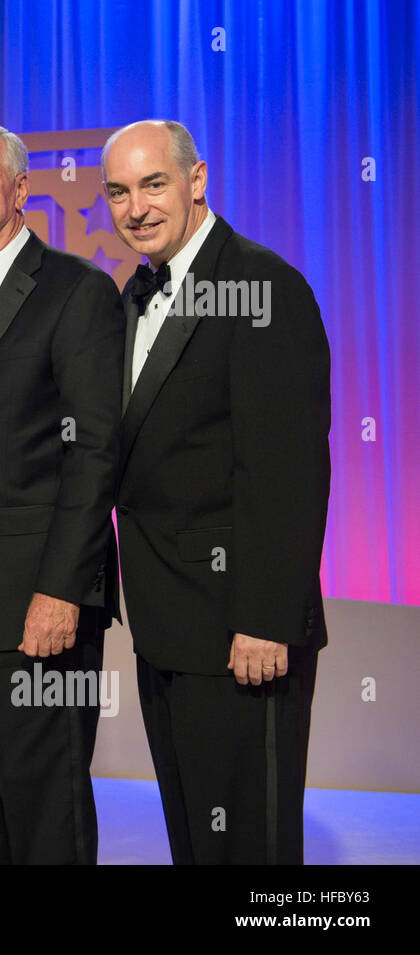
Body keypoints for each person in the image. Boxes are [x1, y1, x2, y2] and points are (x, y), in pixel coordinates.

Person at [101, 119, 331, 864]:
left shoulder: (262, 286)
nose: (135, 207)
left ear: (197, 180)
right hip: (165, 624)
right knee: (197, 842)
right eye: (119, 192)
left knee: (252, 852)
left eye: (154, 184)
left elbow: (287, 470)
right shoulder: (129, 297)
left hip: (242, 631)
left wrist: (265, 618)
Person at [0, 124, 124, 864]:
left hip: (40, 608)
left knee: (48, 819)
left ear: (19, 189)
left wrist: (62, 590)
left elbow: (95, 452)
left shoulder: (77, 290)